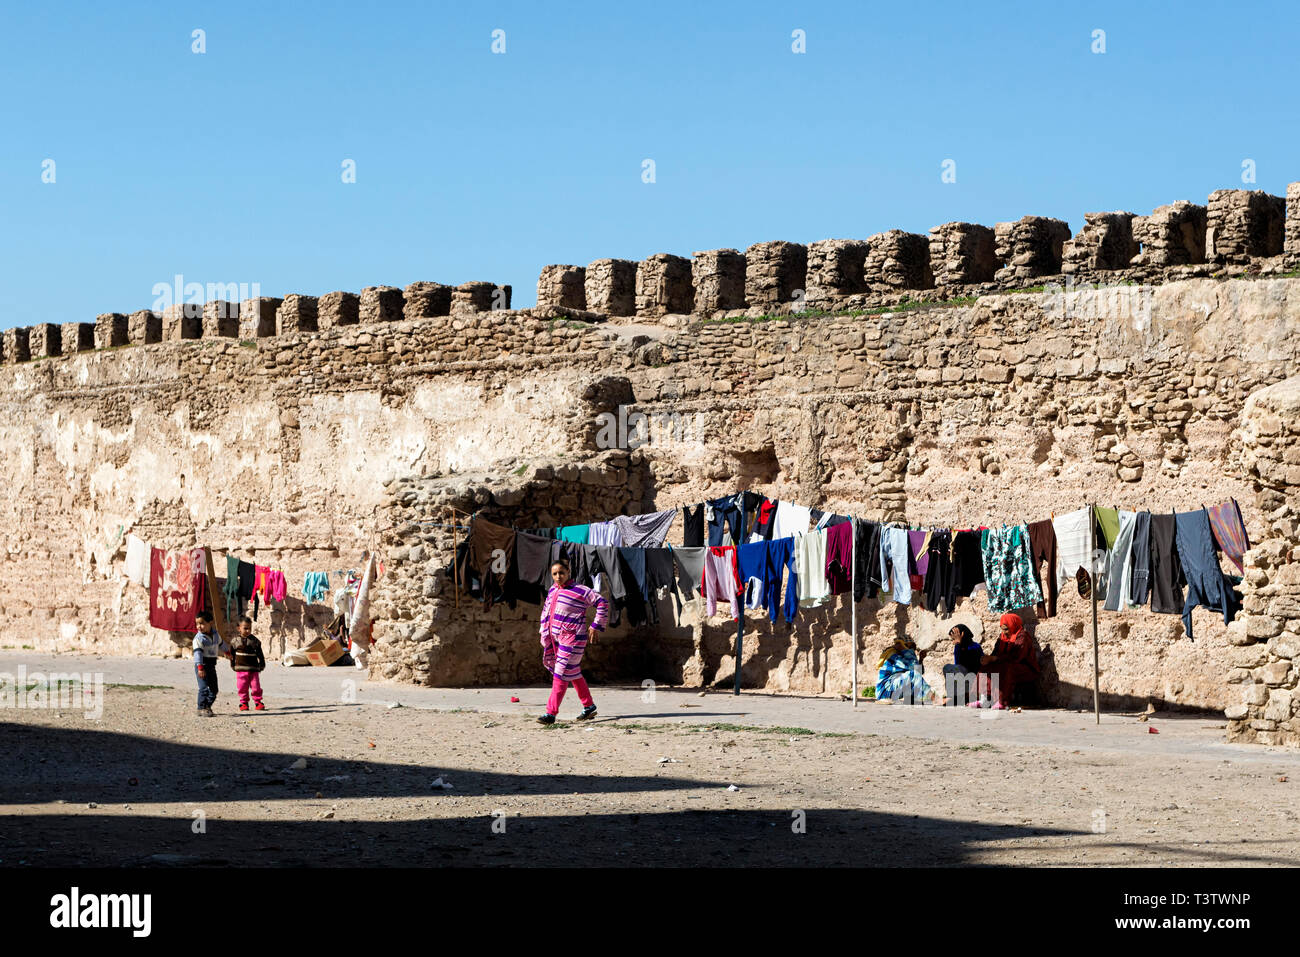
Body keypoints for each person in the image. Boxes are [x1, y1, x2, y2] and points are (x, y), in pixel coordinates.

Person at [537, 558, 609, 724]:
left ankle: (550, 713)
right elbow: (546, 611)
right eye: (554, 574)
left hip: (573, 639)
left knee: (560, 673)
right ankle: (589, 706)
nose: (558, 576)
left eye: (561, 573)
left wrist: (595, 625)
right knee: (572, 671)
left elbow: (602, 602)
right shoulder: (553, 590)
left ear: (568, 572)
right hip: (556, 639)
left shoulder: (580, 590)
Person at [969, 612, 1039, 710]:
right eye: (1002, 629)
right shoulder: (1002, 638)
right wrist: (988, 659)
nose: (1004, 632)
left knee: (1006, 668)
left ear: (1013, 625)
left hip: (1024, 667)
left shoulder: (1022, 636)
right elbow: (995, 653)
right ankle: (984, 698)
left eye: (1006, 629)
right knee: (986, 667)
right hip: (1004, 663)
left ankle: (1002, 701)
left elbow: (1017, 656)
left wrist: (996, 659)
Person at [192, 610, 232, 717]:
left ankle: (207, 706)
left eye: (202, 623)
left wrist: (228, 653)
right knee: (204, 688)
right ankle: (201, 708)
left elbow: (221, 644)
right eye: (197, 624)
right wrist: (200, 668)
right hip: (202, 665)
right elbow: (198, 655)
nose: (199, 626)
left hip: (211, 665)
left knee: (214, 689)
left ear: (210, 623)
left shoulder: (215, 635)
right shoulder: (198, 639)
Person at [875, 635, 931, 704]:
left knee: (913, 678)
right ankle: (933, 699)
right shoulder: (892, 655)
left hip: (893, 688)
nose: (911, 649)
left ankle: (913, 699)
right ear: (900, 645)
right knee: (912, 674)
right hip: (884, 692)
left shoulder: (904, 656)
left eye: (912, 647)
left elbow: (919, 673)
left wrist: (921, 659)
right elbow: (914, 672)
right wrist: (910, 653)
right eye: (909, 647)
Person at [229, 616, 267, 712]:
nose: (248, 630)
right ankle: (244, 703)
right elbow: (231, 655)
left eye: (249, 628)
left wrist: (261, 663)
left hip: (253, 669)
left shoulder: (255, 641)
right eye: (245, 628)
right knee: (242, 687)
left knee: (256, 686)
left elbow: (260, 654)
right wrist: (232, 664)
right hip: (241, 669)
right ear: (239, 628)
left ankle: (258, 702)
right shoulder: (234, 642)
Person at [943, 624, 982, 706]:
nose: (953, 641)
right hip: (962, 677)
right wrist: (958, 646)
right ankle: (954, 696)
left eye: (954, 638)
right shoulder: (958, 646)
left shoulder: (975, 646)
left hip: (973, 677)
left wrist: (959, 645)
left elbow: (968, 663)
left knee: (957, 669)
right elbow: (957, 663)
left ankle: (961, 696)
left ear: (962, 635)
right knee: (948, 668)